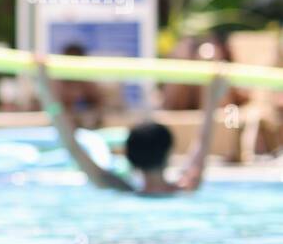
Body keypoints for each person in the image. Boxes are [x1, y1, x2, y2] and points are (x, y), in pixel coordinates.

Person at [33, 55, 227, 195]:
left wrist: (45, 89)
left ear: (129, 158)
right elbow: (202, 143)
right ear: (169, 155)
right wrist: (212, 97)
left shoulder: (120, 190)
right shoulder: (185, 188)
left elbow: (72, 146)